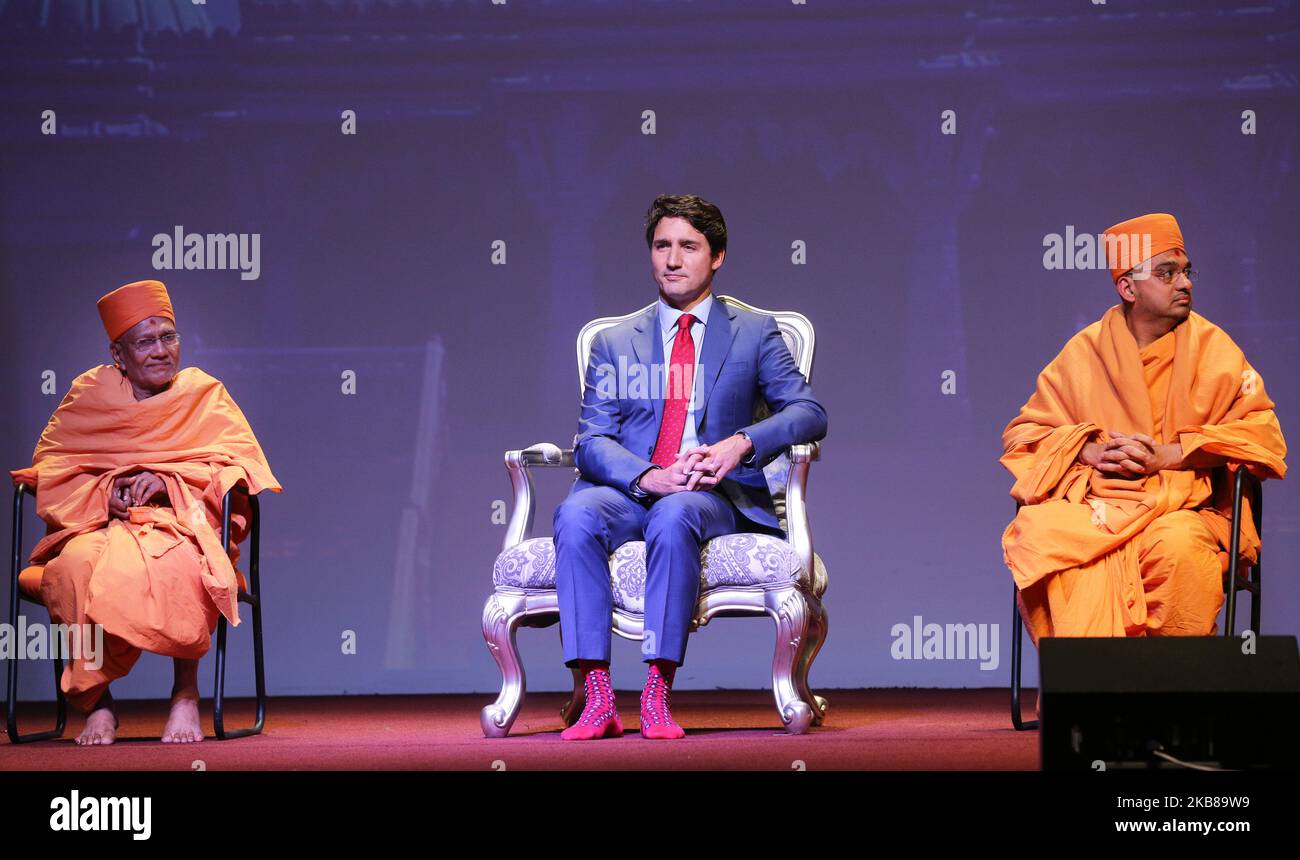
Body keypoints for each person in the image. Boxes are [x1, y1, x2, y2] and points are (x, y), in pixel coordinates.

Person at [553, 194, 827, 740]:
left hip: (711, 495)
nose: (672, 259)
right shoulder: (614, 341)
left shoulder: (753, 331)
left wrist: (739, 444)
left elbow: (808, 412)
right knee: (576, 513)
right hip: (632, 490)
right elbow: (591, 441)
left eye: (688, 246)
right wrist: (646, 476)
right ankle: (598, 695)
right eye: (662, 246)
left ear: (717, 256)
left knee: (675, 514)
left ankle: (657, 690)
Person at [11, 279, 280, 745]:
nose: (160, 351)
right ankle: (98, 702)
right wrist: (103, 493)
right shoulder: (89, 395)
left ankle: (184, 694)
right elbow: (53, 469)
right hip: (100, 526)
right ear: (118, 355)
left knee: (182, 567)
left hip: (181, 527)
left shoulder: (203, 395)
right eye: (145, 341)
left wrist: (172, 480)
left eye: (168, 337)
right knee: (73, 567)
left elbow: (239, 469)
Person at [1001, 213, 1285, 646]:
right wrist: (1087, 450)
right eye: (1167, 273)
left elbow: (1263, 435)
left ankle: (1169, 698)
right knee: (1037, 535)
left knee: (1180, 547)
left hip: (1182, 509)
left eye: (1187, 272)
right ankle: (1087, 692)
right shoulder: (1086, 351)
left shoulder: (1216, 350)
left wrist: (1167, 456)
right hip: (1099, 507)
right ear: (1128, 288)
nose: (1185, 283)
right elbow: (1025, 434)